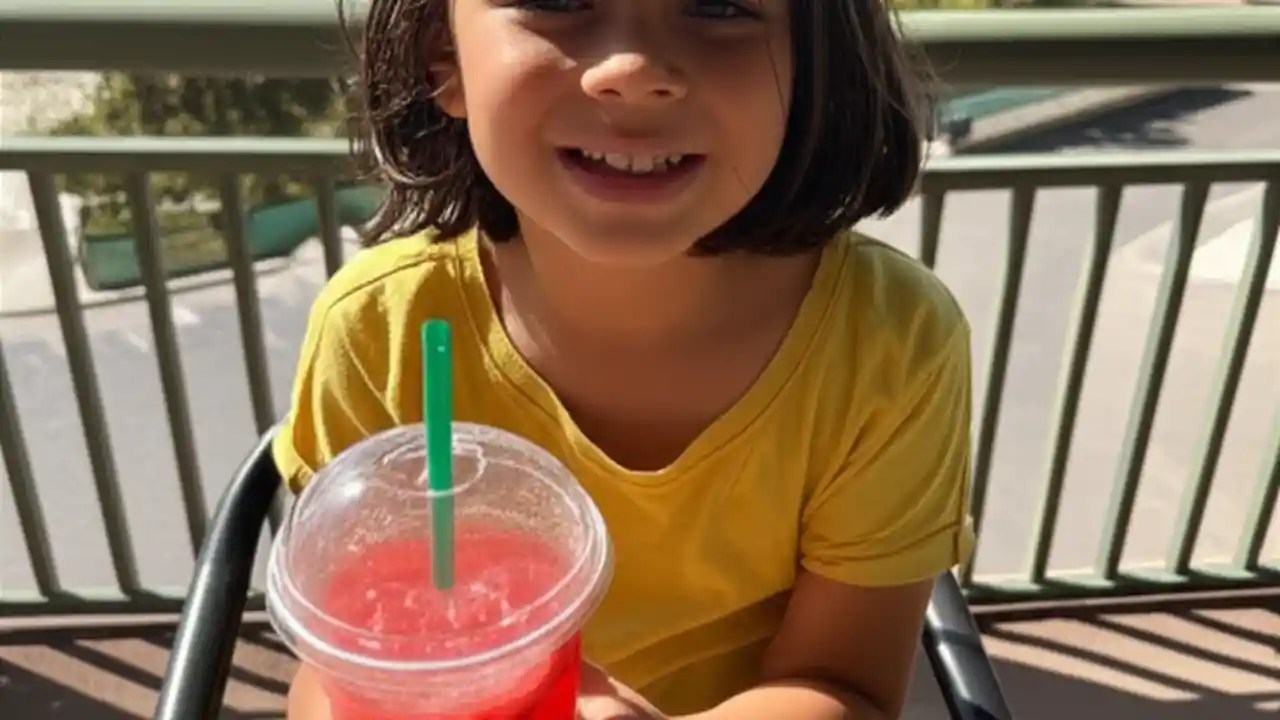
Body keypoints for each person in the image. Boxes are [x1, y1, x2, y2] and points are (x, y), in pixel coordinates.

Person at [275, 0, 976, 718]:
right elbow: (332, 673)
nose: (634, 73)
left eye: (720, 5)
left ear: (811, 70)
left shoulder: (889, 345)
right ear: (442, 58)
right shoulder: (377, 332)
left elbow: (845, 684)